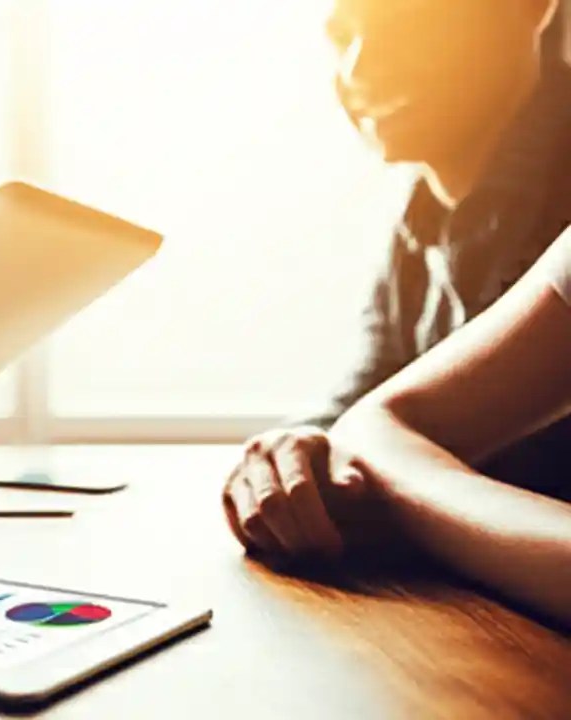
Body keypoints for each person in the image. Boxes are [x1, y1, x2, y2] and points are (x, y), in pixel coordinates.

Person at [222, 0, 571, 628]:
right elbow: (362, 406)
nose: (360, 68)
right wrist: (285, 455)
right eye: (343, 39)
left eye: (408, 26)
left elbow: (502, 467)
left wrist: (366, 463)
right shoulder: (420, 223)